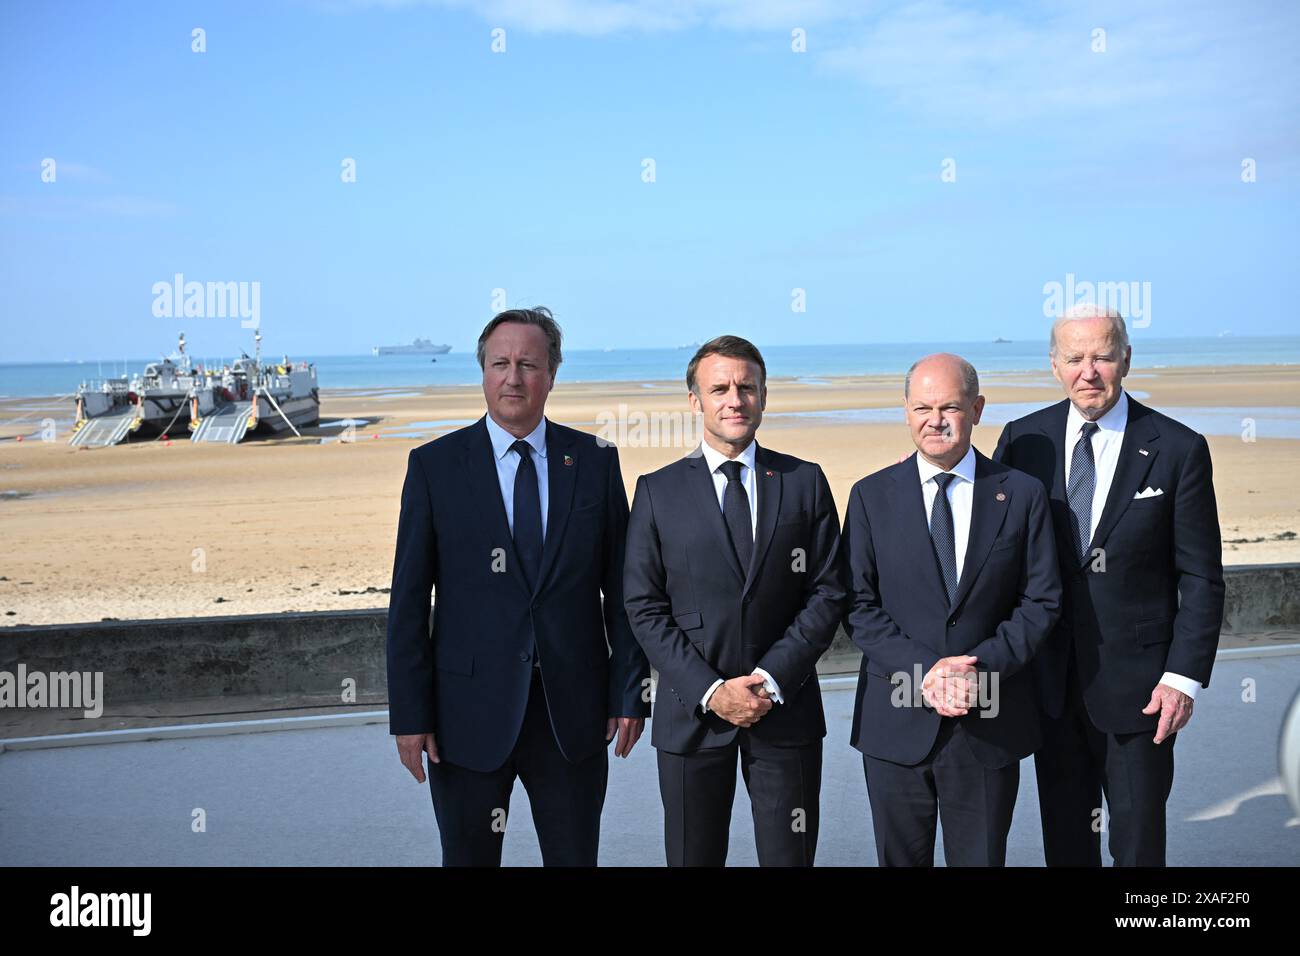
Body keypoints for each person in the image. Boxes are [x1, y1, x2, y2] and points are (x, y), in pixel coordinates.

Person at [386, 307, 649, 866]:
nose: (513, 377)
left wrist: (630, 693)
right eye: (500, 363)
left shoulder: (597, 462)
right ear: (482, 372)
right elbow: (408, 601)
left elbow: (622, 593)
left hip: (572, 716)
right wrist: (410, 715)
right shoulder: (434, 466)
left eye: (528, 364)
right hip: (465, 718)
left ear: (551, 374)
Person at [993, 304, 1225, 866]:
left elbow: (1201, 576)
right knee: (1067, 844)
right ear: (1054, 364)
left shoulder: (1177, 447)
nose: (1088, 371)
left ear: (1125, 358)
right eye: (1075, 358)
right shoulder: (1024, 441)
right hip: (1048, 683)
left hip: (1144, 690)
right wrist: (921, 474)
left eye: (1101, 356)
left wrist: (1183, 679)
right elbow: (989, 539)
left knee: (1139, 843)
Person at [623, 335, 846, 866]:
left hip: (784, 712)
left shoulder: (804, 482)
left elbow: (828, 590)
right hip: (691, 718)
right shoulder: (657, 491)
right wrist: (711, 690)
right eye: (719, 388)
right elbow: (643, 604)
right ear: (695, 401)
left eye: (747, 387)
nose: (734, 399)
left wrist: (769, 679)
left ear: (764, 397)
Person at [842, 352, 1061, 866]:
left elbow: (1042, 600)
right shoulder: (870, 496)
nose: (934, 420)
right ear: (905, 410)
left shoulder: (1022, 495)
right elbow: (857, 603)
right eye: (921, 407)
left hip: (988, 721)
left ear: (977, 409)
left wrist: (975, 671)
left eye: (949, 407)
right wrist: (926, 674)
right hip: (895, 721)